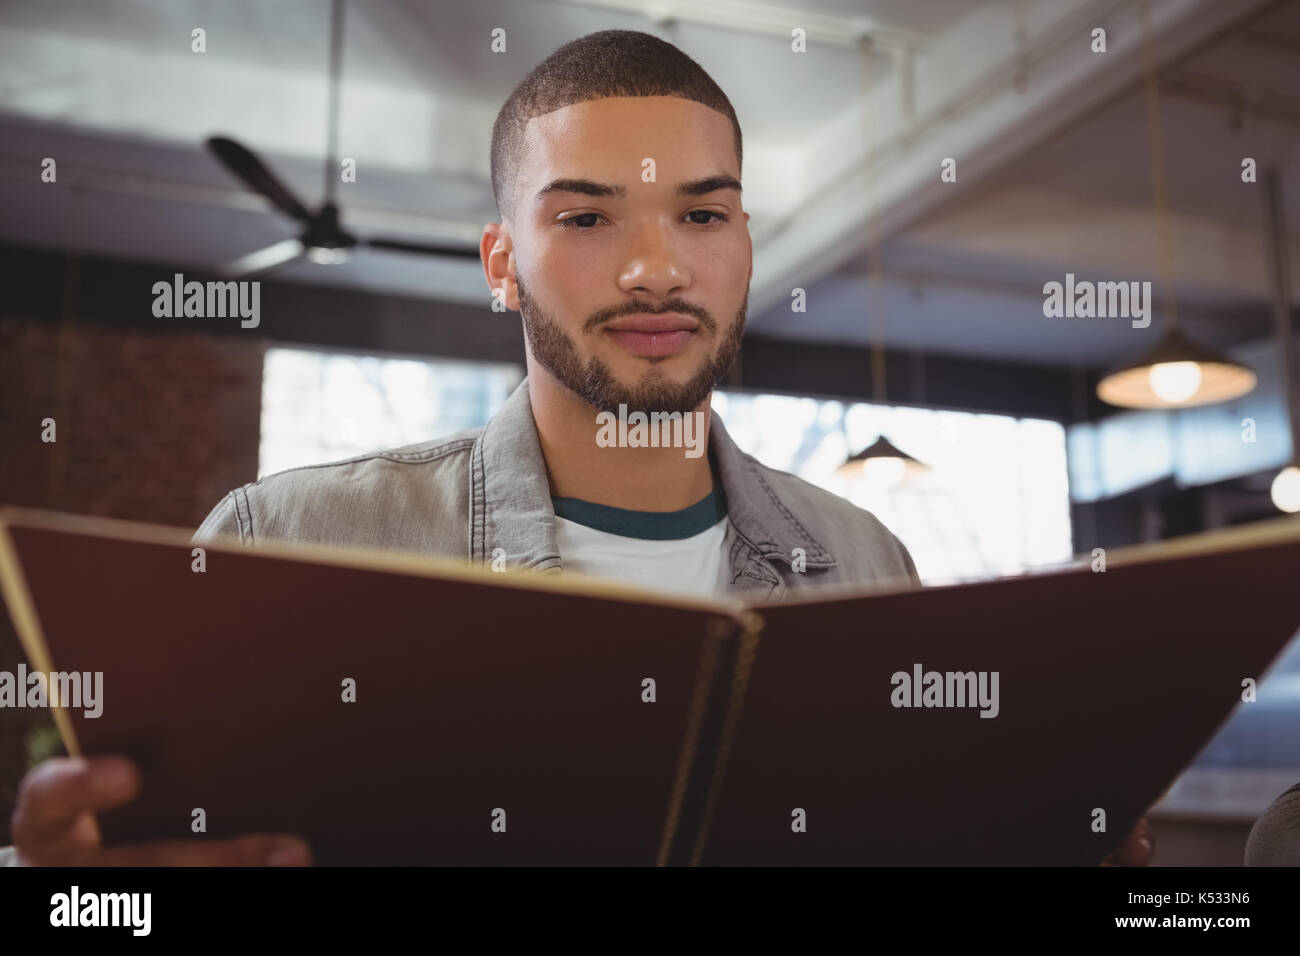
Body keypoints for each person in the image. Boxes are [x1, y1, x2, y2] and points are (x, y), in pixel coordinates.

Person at [4, 30, 1149, 867]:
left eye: (702, 215)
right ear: (502, 262)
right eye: (588, 216)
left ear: (744, 241)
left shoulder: (866, 556)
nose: (656, 268)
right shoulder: (283, 543)